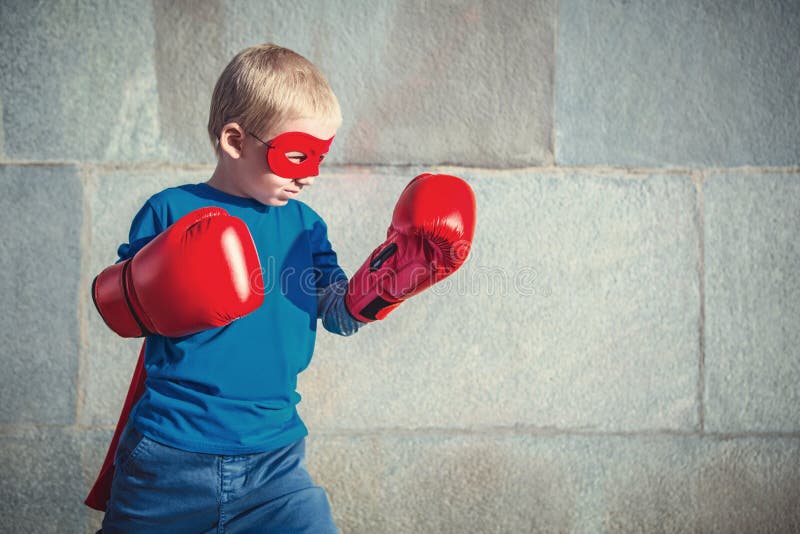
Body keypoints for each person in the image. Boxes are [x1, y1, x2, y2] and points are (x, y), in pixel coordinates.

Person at [86, 43, 476, 533]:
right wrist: (164, 280)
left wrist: (398, 276)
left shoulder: (305, 227)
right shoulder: (170, 210)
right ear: (235, 140)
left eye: (321, 157)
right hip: (169, 457)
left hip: (274, 464)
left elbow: (338, 313)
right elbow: (122, 310)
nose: (310, 175)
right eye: (297, 155)